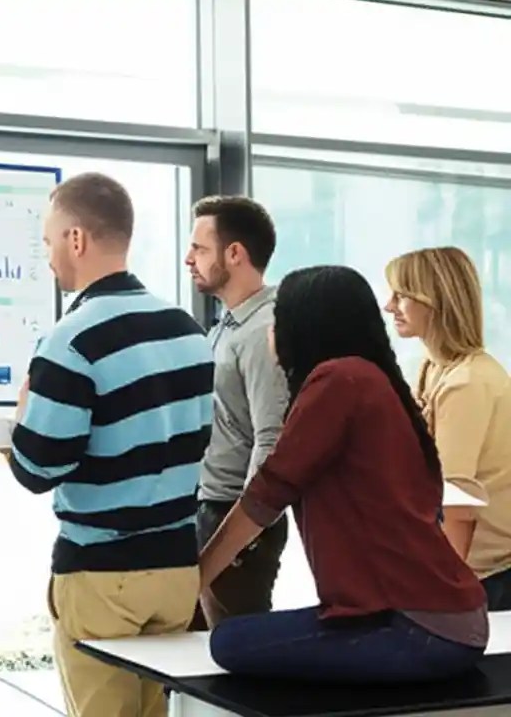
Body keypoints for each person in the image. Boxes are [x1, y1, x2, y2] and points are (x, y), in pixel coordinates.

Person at [201, 265, 488, 683]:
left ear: (306, 326)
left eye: (278, 320)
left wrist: (197, 577)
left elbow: (267, 493)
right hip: (446, 619)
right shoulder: (373, 380)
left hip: (414, 626)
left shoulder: (338, 381)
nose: (270, 333)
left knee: (228, 642)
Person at [8, 173, 213, 717]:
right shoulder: (186, 330)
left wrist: (21, 421)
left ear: (76, 239)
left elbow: (38, 467)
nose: (49, 255)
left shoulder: (70, 339)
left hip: (101, 574)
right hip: (175, 570)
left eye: (50, 240)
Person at [183, 195, 289, 629]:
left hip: (234, 514)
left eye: (200, 249)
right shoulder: (228, 325)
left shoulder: (265, 330)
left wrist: (246, 531)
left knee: (231, 658)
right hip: (209, 507)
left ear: (235, 254)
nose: (189, 259)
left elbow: (272, 438)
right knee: (192, 656)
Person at [384, 246, 511, 609]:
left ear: (434, 301)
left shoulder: (467, 383)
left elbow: (453, 503)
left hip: (482, 577)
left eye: (401, 295)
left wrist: (436, 596)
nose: (389, 306)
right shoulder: (434, 368)